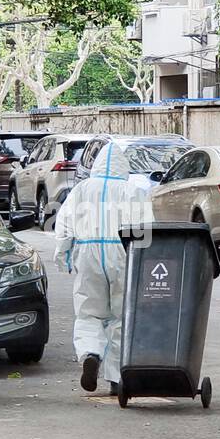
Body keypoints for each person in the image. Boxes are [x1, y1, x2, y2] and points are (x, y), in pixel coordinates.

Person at [54, 142, 154, 394]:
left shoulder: (81, 190)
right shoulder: (134, 191)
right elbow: (145, 232)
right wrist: (141, 264)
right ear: (124, 167)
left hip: (88, 254)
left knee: (89, 314)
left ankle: (91, 353)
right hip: (123, 253)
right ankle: (115, 378)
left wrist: (63, 257)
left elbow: (64, 225)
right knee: (122, 316)